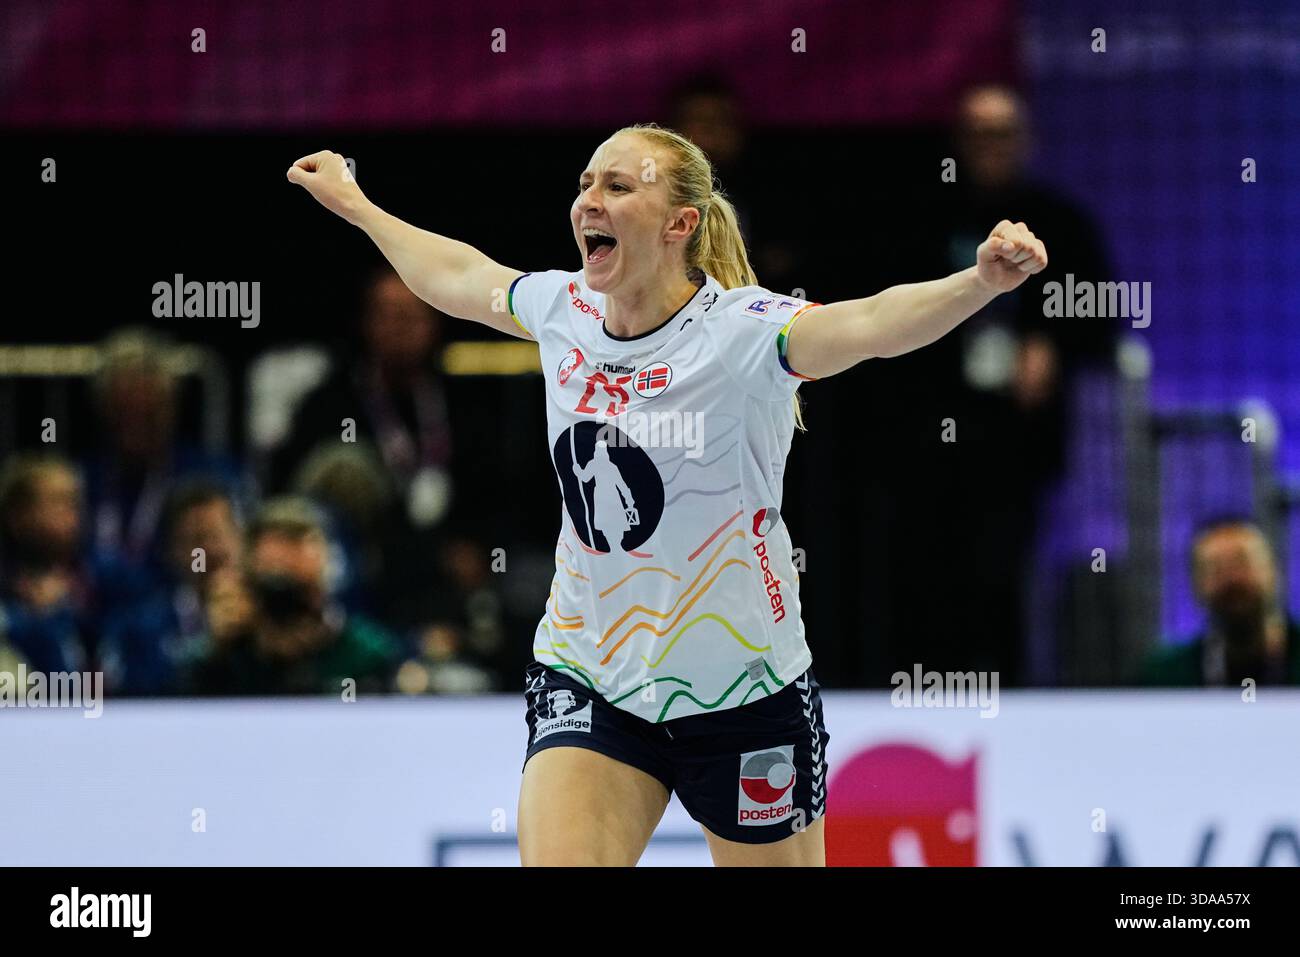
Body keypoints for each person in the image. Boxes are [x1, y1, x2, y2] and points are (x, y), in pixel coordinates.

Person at [287, 123, 1048, 866]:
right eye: (586, 183)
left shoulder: (746, 332)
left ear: (681, 223)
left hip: (745, 689)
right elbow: (457, 274)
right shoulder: (564, 310)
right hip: (592, 675)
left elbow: (876, 324)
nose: (590, 200)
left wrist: (981, 280)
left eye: (619, 186)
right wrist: (357, 205)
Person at [191, 497, 405, 696]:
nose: (287, 604)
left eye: (300, 589)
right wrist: (216, 649)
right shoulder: (230, 662)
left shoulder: (367, 656)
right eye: (275, 588)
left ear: (327, 581)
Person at [1136, 516, 1300, 686]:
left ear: (1274, 571)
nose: (1232, 579)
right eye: (1216, 568)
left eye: (1242, 562)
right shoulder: (1166, 676)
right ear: (1195, 584)